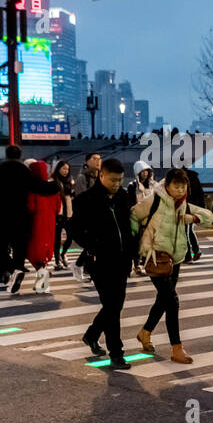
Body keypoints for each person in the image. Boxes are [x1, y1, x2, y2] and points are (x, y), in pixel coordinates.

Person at [133, 167, 213, 363]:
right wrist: (140, 246)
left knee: (163, 300)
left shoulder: (182, 204)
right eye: (176, 186)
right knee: (172, 301)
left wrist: (193, 218)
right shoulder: (155, 199)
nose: (180, 190)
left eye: (183, 186)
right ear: (167, 185)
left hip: (174, 259)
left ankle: (145, 332)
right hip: (155, 258)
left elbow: (209, 216)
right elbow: (133, 215)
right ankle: (176, 348)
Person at [68, 157, 134, 370]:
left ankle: (92, 334)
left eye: (120, 180)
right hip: (100, 262)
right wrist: (93, 246)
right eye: (113, 180)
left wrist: (133, 253)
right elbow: (74, 229)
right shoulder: (87, 200)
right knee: (113, 307)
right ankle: (116, 353)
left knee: (115, 305)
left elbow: (129, 228)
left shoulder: (124, 197)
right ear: (101, 175)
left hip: (122, 260)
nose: (117, 184)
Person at [0, 144, 60, 292]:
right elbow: (39, 186)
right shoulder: (24, 171)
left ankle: (13, 270)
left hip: (0, 218)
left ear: (6, 154)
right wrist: (55, 186)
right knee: (19, 251)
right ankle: (16, 270)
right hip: (21, 219)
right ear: (19, 155)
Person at [25, 160, 60, 290]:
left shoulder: (32, 189)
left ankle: (42, 279)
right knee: (44, 252)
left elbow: (31, 207)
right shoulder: (54, 189)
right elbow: (58, 208)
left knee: (32, 252)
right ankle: (41, 279)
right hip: (50, 223)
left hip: (36, 223)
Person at [71, 152, 102, 280]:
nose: (98, 161)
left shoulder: (101, 177)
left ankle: (84, 267)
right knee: (93, 244)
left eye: (99, 159)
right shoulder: (82, 178)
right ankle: (82, 266)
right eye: (94, 159)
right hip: (87, 218)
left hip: (100, 216)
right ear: (87, 161)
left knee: (96, 245)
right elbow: (81, 200)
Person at [127, 160, 157, 276]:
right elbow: (130, 204)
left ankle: (144, 264)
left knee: (148, 242)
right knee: (135, 243)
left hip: (150, 218)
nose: (145, 173)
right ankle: (134, 264)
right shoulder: (132, 186)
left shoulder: (153, 185)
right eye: (142, 171)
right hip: (136, 218)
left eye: (146, 171)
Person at [50, 160, 75, 270]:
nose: (66, 171)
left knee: (71, 236)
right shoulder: (53, 181)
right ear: (58, 168)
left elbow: (73, 196)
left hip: (68, 213)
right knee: (57, 239)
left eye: (67, 169)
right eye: (64, 168)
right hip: (58, 214)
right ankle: (57, 261)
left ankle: (62, 254)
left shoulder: (70, 181)